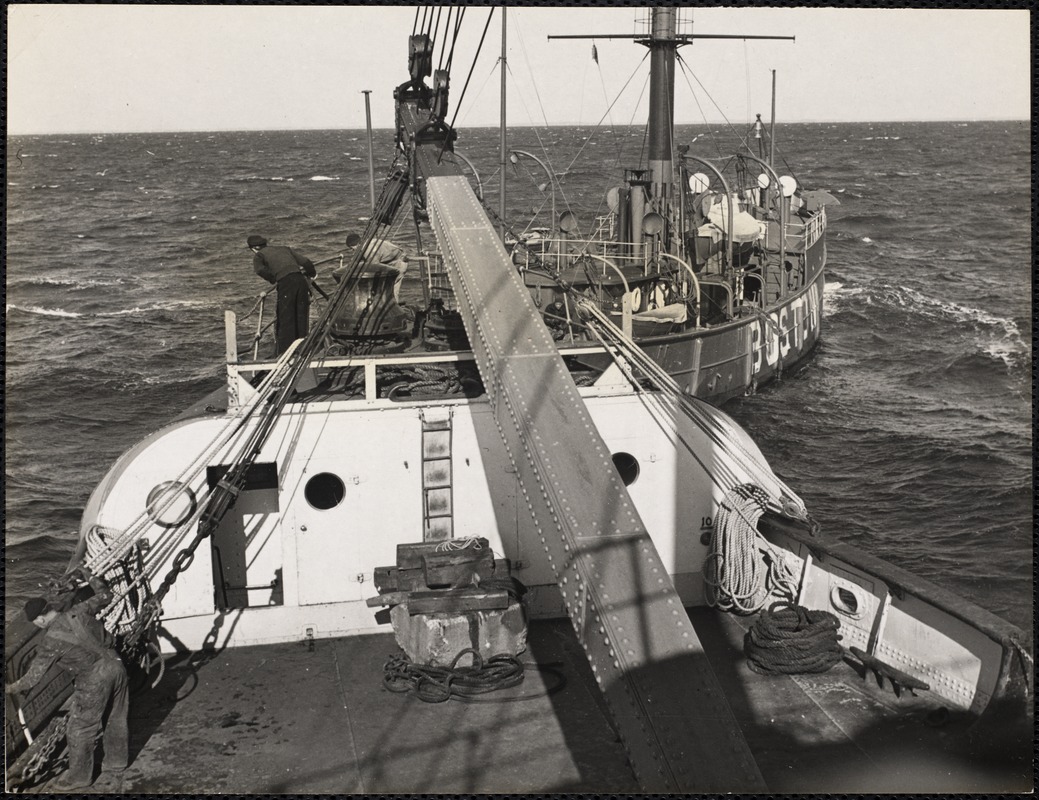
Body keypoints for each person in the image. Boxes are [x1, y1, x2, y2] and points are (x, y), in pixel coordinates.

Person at [6, 574, 128, 790]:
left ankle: (79, 778)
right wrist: (89, 575)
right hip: (116, 665)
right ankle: (116, 764)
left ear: (41, 619)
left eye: (37, 623)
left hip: (93, 679)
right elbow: (106, 595)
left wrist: (9, 688)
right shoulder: (79, 610)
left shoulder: (50, 641)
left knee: (79, 729)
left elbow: (32, 679)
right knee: (115, 717)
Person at [248, 234, 317, 355]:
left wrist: (273, 278)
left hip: (286, 284)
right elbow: (305, 262)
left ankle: (285, 352)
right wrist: (311, 274)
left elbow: (260, 270)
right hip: (300, 281)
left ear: (253, 249)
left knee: (286, 318)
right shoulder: (284, 248)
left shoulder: (259, 255)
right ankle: (302, 347)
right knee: (301, 314)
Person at [333, 232, 409, 301]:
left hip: (398, 263)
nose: (352, 250)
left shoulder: (370, 250)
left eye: (351, 248)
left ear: (356, 244)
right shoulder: (365, 244)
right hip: (388, 262)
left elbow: (374, 269)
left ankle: (392, 310)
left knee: (391, 290)